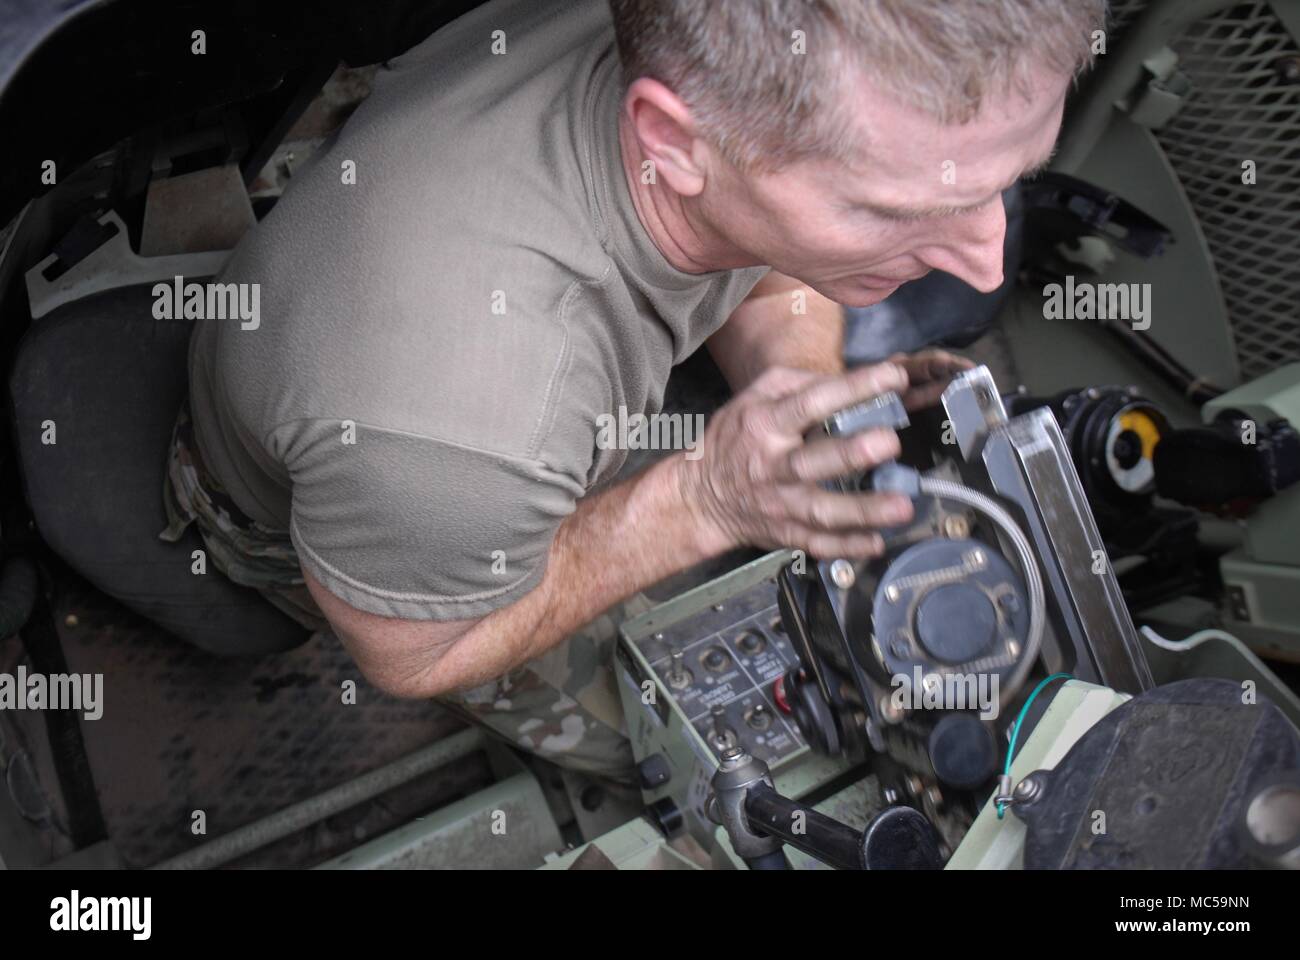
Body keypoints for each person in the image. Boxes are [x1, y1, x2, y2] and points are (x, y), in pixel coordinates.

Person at [168, 0, 1104, 780]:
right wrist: (700, 500)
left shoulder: (719, 77)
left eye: (1009, 181)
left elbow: (753, 248)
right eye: (900, 211)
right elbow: (411, 654)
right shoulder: (462, 437)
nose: (987, 263)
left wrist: (802, 392)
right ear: (674, 139)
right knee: (714, 734)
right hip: (381, 543)